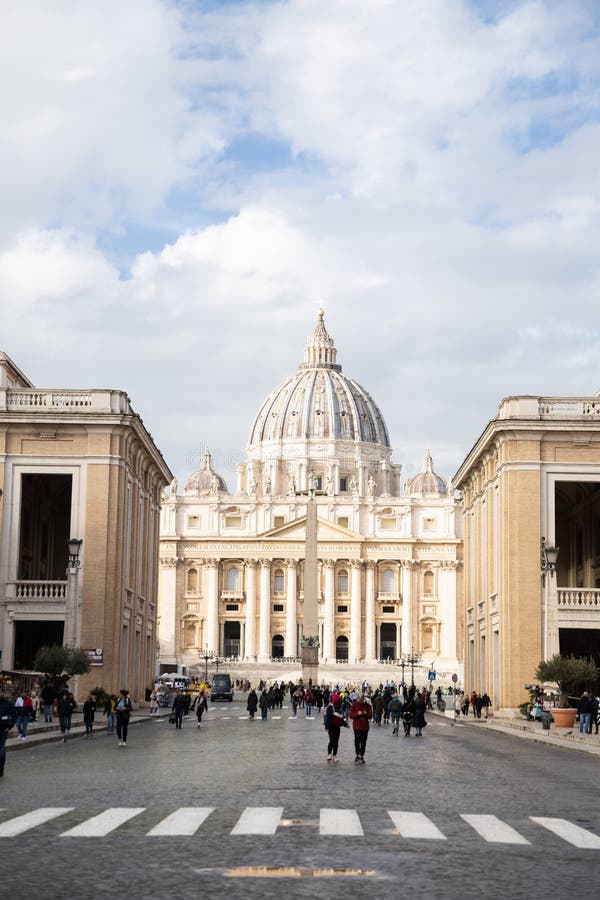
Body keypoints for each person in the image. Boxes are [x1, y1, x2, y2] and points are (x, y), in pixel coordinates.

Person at [349, 694, 372, 763]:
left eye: (362, 699)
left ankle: (361, 755)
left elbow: (370, 716)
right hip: (357, 726)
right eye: (360, 699)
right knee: (357, 740)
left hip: (365, 726)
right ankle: (357, 754)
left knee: (363, 741)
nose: (361, 701)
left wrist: (365, 714)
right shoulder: (354, 705)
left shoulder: (367, 706)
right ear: (358, 699)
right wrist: (357, 714)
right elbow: (351, 716)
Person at [0, 689, 16, 777]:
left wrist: (9, 726)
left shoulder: (7, 704)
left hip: (3, 730)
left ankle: (1, 768)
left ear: (2, 693)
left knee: (1, 750)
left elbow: (14, 715)